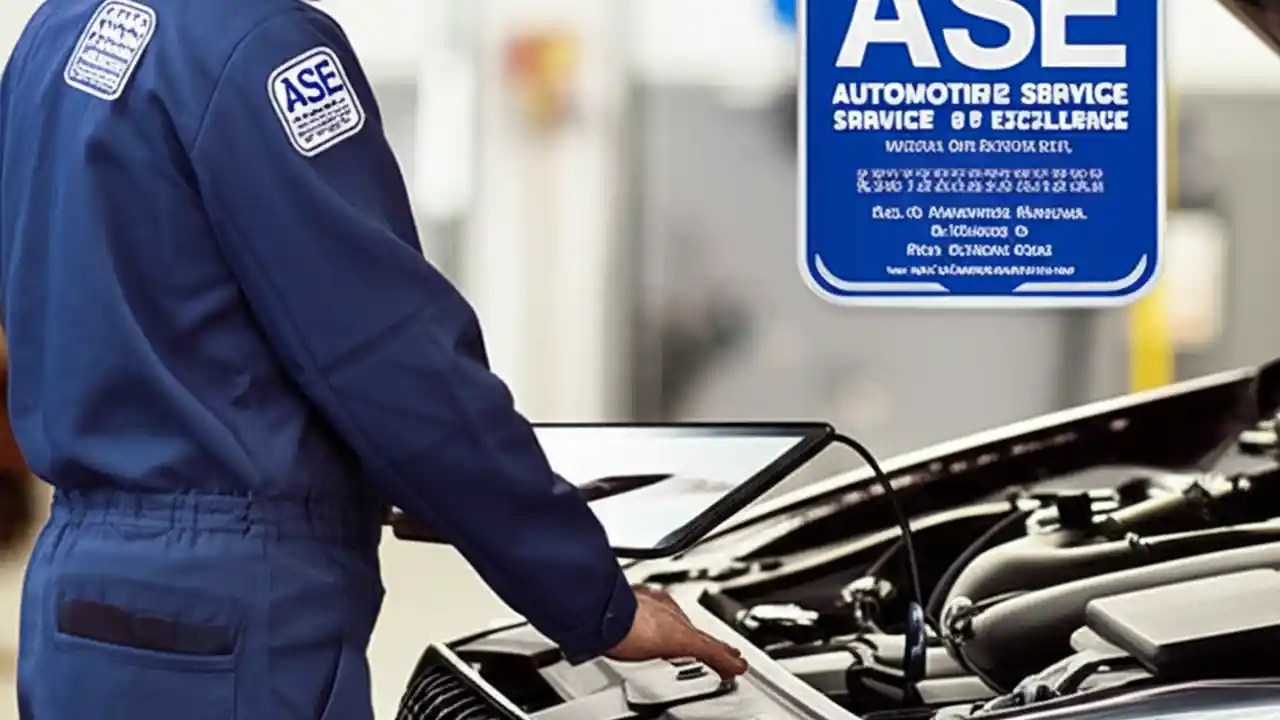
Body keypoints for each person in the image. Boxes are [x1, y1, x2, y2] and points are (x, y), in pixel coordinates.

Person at [0, 1, 746, 717]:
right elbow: (388, 359)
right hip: (226, 616)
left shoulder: (53, 35)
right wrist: (594, 599)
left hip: (77, 603)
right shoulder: (263, 46)